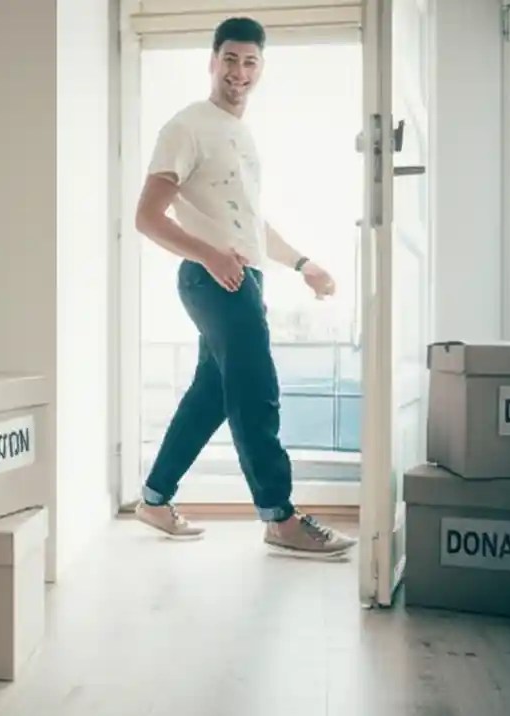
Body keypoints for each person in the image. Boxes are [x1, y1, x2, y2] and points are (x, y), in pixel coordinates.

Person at [132, 16, 357, 559]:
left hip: (241, 275)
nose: (239, 71)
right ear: (212, 61)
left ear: (261, 69)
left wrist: (302, 263)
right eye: (230, 59)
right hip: (213, 276)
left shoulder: (241, 135)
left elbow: (251, 226)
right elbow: (147, 217)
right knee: (256, 388)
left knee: (211, 396)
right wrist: (210, 255)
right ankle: (280, 517)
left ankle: (154, 499)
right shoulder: (187, 126)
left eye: (250, 62)